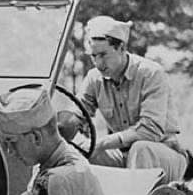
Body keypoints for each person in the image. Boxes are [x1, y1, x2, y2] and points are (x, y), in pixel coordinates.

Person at [77, 15, 187, 184]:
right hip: (123, 155)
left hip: (163, 153)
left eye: (103, 55)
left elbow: (149, 131)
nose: (98, 63)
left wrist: (101, 142)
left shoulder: (151, 73)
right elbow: (76, 115)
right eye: (93, 56)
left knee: (140, 148)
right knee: (79, 153)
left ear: (121, 47)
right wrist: (63, 127)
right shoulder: (94, 78)